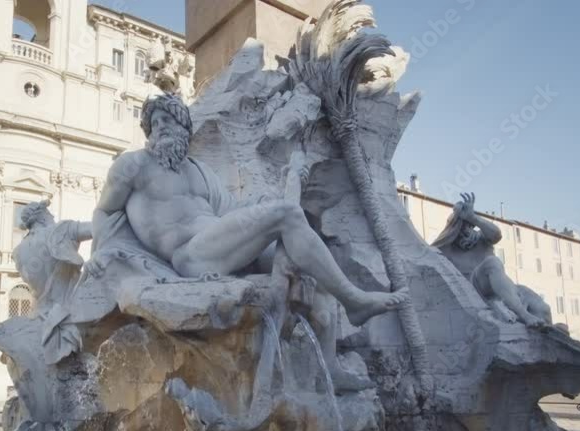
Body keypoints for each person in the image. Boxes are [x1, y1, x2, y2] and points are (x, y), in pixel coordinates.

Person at [86, 93, 408, 327]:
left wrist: (286, 183)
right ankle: (354, 300)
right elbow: (104, 213)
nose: (160, 128)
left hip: (222, 247)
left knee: (311, 271)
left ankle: (331, 362)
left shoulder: (199, 170)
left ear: (185, 127)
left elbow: (232, 213)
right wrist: (102, 255)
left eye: (167, 120)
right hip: (189, 256)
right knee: (286, 215)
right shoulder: (133, 165)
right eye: (153, 123)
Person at [433, 193, 551, 327]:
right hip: (477, 291)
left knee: (543, 309)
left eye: (469, 226)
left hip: (505, 289)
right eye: (461, 226)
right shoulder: (446, 250)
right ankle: (525, 316)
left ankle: (549, 331)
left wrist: (473, 217)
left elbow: (496, 234)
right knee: (492, 263)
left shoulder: (482, 239)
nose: (466, 230)